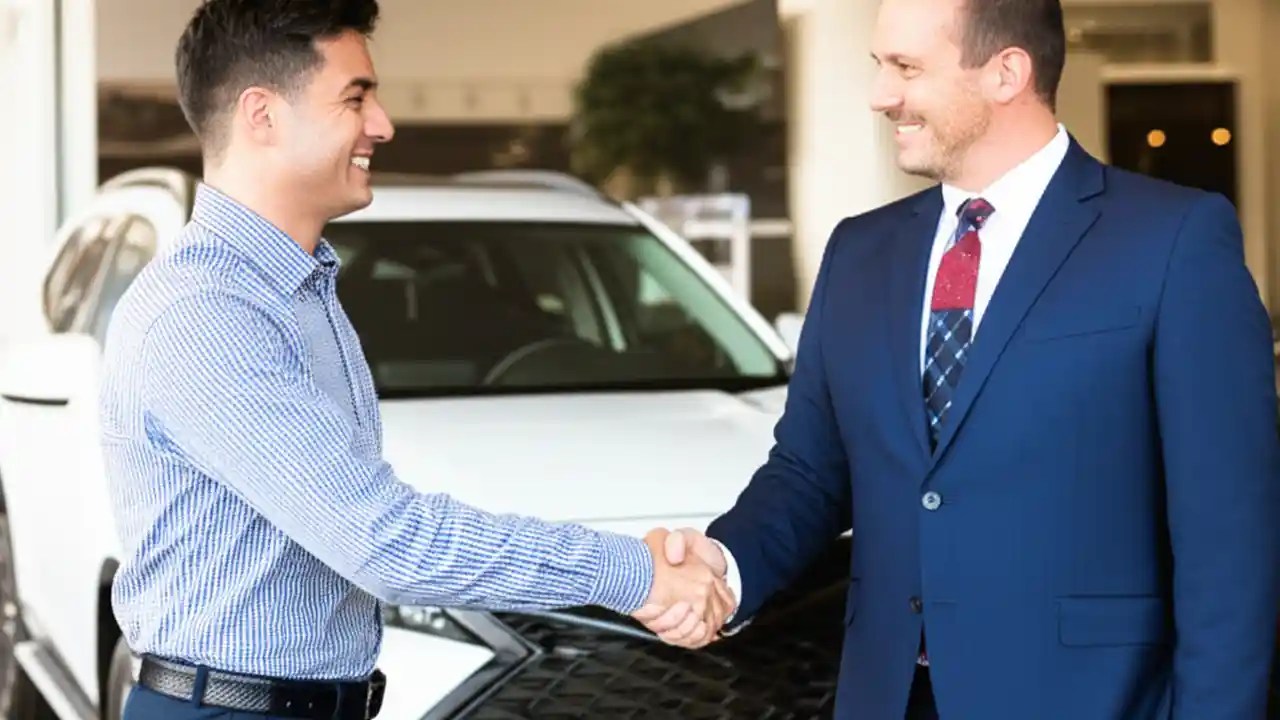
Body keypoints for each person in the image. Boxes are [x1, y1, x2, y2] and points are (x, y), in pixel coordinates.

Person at [643, 0, 1280, 717]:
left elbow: (1230, 542)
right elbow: (810, 471)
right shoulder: (859, 250)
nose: (881, 96)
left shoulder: (1175, 241)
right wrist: (724, 565)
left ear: (1008, 72)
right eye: (879, 66)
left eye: (907, 68)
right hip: (887, 696)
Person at [98, 2, 731, 719]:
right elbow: (383, 541)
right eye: (355, 97)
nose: (383, 125)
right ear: (262, 116)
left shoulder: (298, 288)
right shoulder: (205, 312)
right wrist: (633, 572)